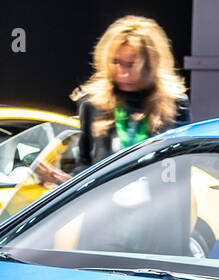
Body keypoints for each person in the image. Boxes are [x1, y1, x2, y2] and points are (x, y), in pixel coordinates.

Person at [70, 16, 188, 172]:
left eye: (132, 65)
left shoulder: (175, 104)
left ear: (150, 64)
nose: (123, 74)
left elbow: (183, 167)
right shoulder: (93, 103)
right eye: (116, 62)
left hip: (160, 195)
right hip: (105, 195)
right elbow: (83, 165)